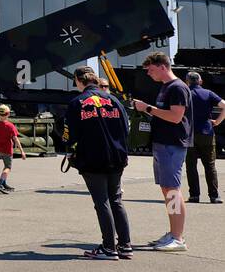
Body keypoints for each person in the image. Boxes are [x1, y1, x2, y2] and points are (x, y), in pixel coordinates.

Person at [66, 67, 132, 260]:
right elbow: (126, 127)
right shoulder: (114, 100)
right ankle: (125, 245)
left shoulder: (76, 102)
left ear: (79, 81)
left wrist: (70, 151)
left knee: (101, 202)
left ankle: (109, 247)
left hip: (93, 158)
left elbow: (69, 133)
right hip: (117, 157)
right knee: (116, 200)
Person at [131, 52, 192, 252]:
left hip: (172, 144)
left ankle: (177, 237)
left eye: (151, 69)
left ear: (162, 66)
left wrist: (147, 108)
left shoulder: (177, 88)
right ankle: (174, 233)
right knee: (168, 188)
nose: (148, 73)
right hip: (164, 143)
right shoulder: (167, 87)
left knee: (172, 189)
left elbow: (175, 117)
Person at [185, 71, 224, 204]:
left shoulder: (185, 93)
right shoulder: (208, 93)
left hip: (189, 133)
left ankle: (194, 195)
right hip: (207, 132)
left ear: (187, 82)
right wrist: (218, 121)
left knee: (191, 165)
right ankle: (214, 195)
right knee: (210, 165)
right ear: (200, 82)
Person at [0, 104, 24, 193]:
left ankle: (4, 183)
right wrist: (22, 152)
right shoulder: (10, 126)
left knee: (5, 165)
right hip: (7, 150)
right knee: (8, 167)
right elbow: (16, 139)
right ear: (8, 114)